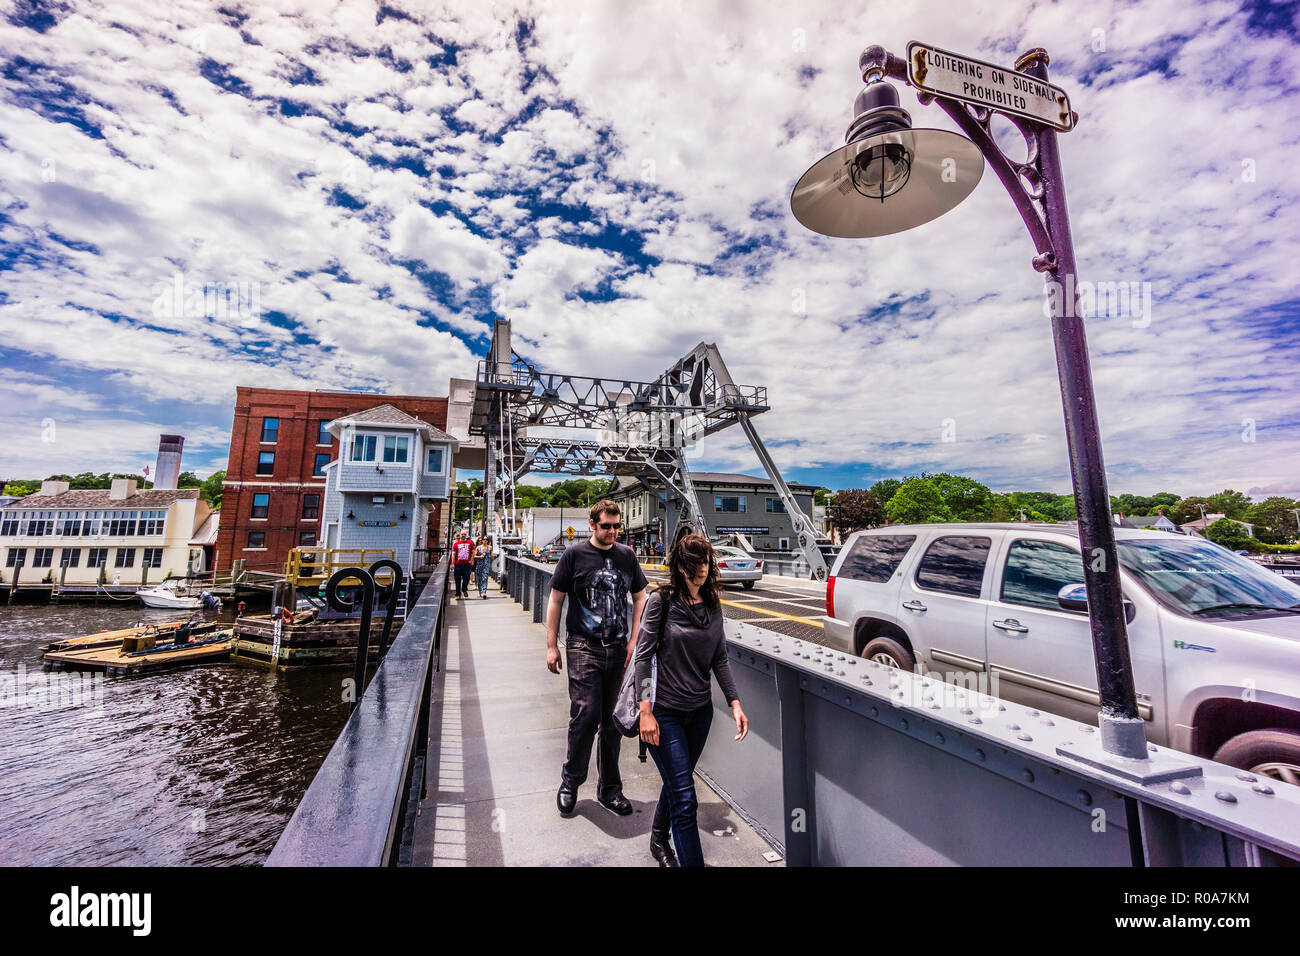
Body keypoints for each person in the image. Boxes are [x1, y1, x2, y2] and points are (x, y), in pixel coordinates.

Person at [633, 534, 749, 867]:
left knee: (677, 782)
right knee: (685, 798)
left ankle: (658, 839)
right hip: (664, 712)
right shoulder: (662, 601)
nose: (703, 567)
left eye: (706, 560)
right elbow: (643, 657)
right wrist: (645, 711)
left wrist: (735, 702)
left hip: (700, 713)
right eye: (695, 562)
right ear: (681, 566)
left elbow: (720, 658)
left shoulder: (713, 601)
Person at [546, 500, 647, 817]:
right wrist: (551, 645)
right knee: (586, 715)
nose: (612, 532)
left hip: (617, 649)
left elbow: (640, 596)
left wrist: (635, 639)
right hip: (582, 646)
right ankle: (571, 781)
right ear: (592, 524)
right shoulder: (574, 555)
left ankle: (610, 790)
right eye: (606, 526)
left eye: (617, 526)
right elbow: (556, 600)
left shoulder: (626, 556)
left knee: (613, 722)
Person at [451, 531, 474, 600]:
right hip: (458, 564)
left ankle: (464, 589)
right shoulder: (456, 544)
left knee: (466, 578)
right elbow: (453, 554)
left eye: (464, 534)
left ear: (466, 535)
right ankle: (458, 594)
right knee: (457, 580)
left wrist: (471, 560)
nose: (463, 535)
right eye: (462, 534)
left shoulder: (470, 543)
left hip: (467, 564)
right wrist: (452, 563)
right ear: (460, 535)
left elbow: (473, 552)